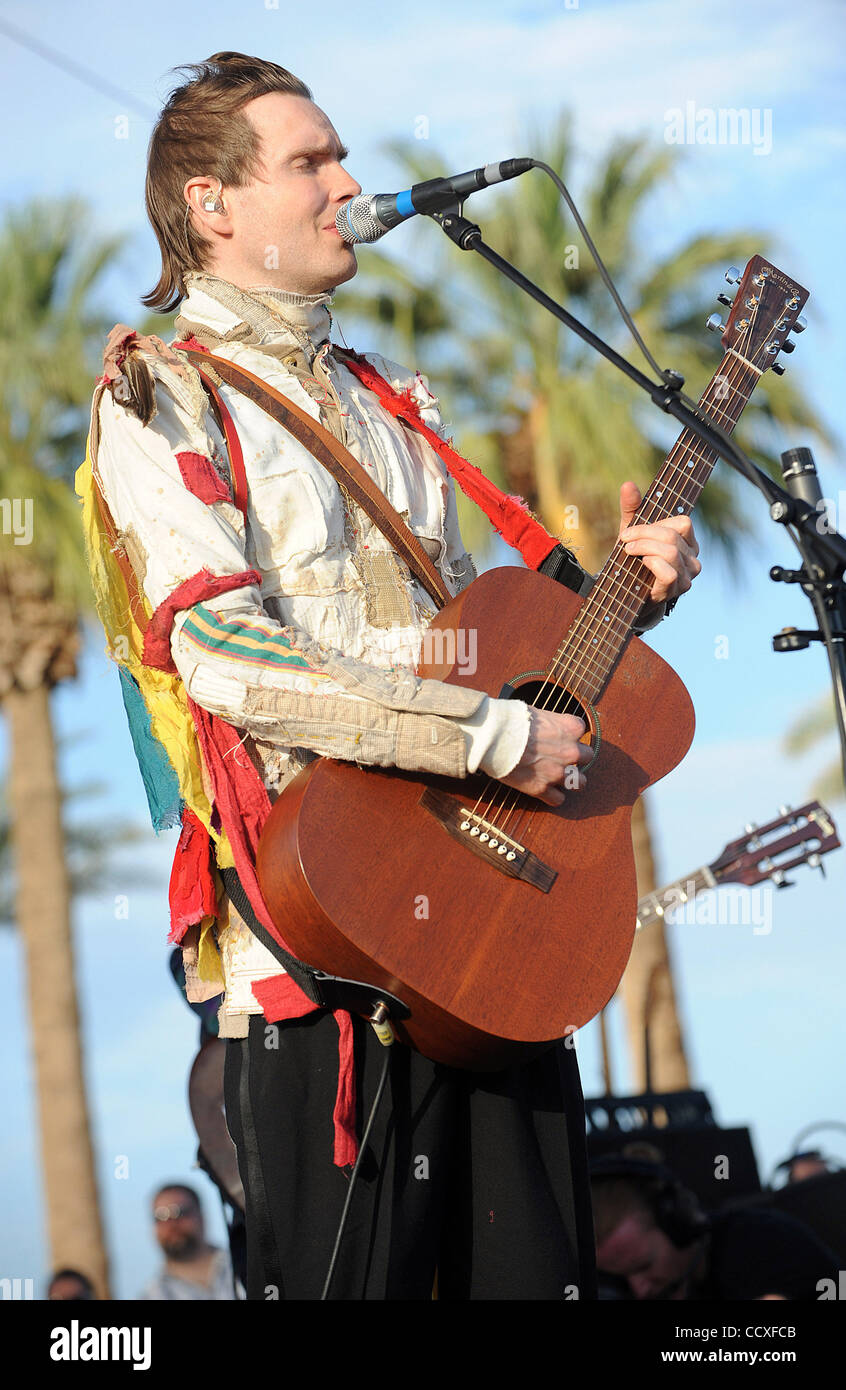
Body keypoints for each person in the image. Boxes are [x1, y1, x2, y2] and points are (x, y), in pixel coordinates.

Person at [80, 52, 701, 1300]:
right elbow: (227, 655)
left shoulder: (382, 398)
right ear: (213, 208)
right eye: (310, 161)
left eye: (339, 157)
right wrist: (482, 738)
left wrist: (629, 593)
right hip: (327, 962)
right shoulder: (165, 394)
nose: (349, 183)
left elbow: (496, 638)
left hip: (495, 952)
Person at [591, 1151, 842, 1301]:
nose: (640, 1289)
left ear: (678, 1223)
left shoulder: (762, 1243)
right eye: (620, 1277)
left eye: (643, 1266)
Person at [138, 1183, 238, 1300]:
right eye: (160, 1217)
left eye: (180, 1212)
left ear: (201, 1216)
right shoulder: (152, 1296)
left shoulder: (247, 1264)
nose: (171, 1224)